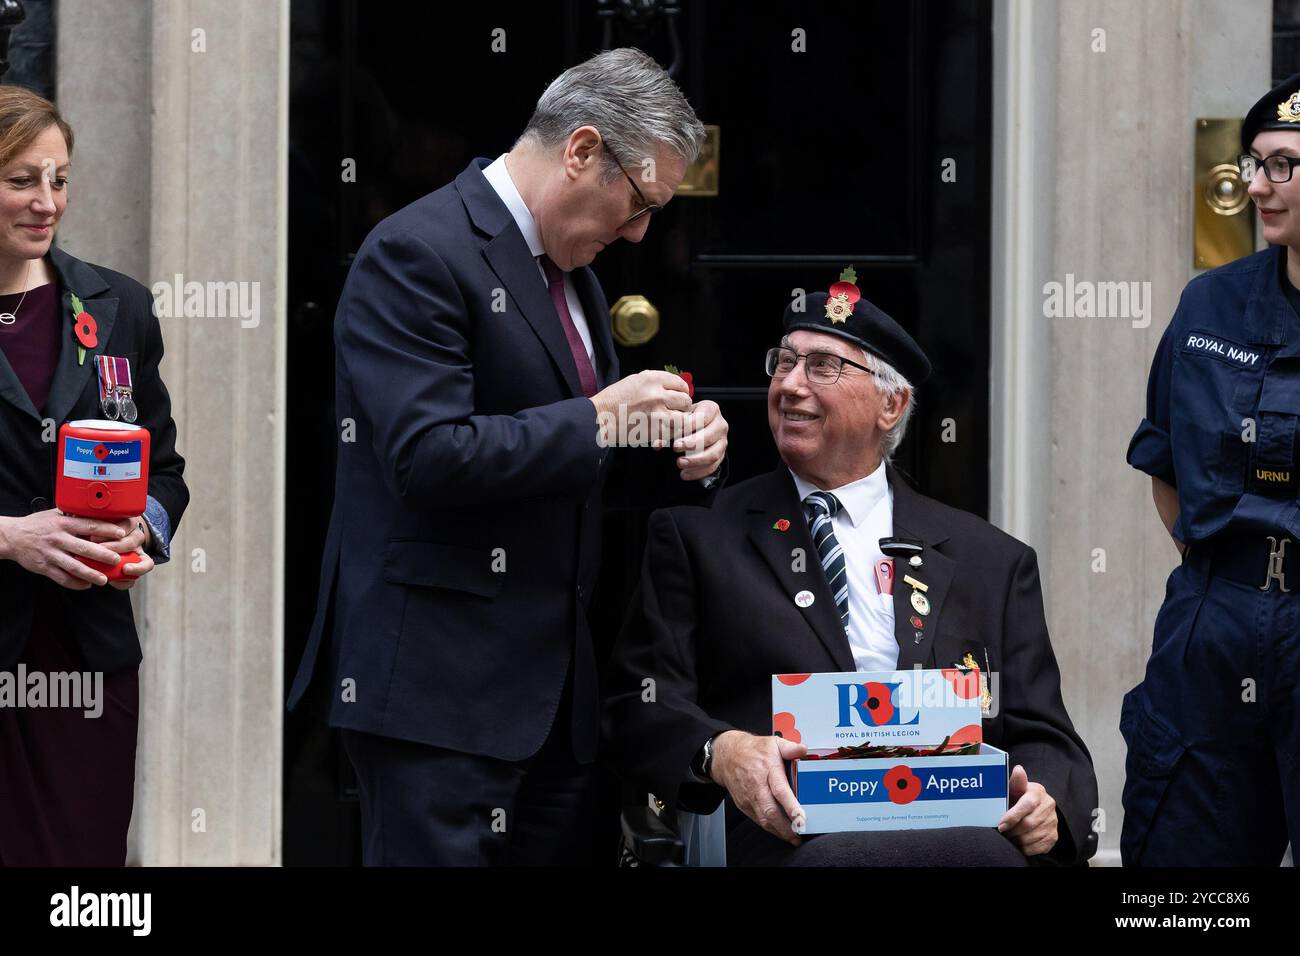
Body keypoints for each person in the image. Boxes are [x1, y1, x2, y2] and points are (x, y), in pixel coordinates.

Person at [286, 48, 728, 865]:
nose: (640, 232)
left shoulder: (576, 275)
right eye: (638, 203)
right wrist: (600, 418)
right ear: (583, 149)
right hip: (439, 700)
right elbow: (428, 457)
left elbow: (571, 465)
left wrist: (677, 450)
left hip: (559, 705)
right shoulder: (416, 252)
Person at [603, 269, 1097, 866]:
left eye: (823, 367)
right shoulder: (699, 534)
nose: (790, 385)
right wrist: (720, 750)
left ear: (891, 405)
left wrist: (1044, 802)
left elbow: (1047, 737)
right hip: (789, 832)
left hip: (956, 828)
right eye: (784, 363)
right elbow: (640, 703)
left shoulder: (990, 560)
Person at [0, 86, 188, 866]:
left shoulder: (119, 309)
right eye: (21, 180)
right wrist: (11, 537)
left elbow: (167, 470)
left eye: (61, 179)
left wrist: (142, 527)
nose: (48, 203)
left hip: (85, 657)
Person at [1122, 72, 1300, 867]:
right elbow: (1165, 461)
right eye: (1256, 163)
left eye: (1283, 165)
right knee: (1187, 864)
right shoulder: (1211, 306)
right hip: (1214, 617)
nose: (1258, 186)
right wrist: (1222, 575)